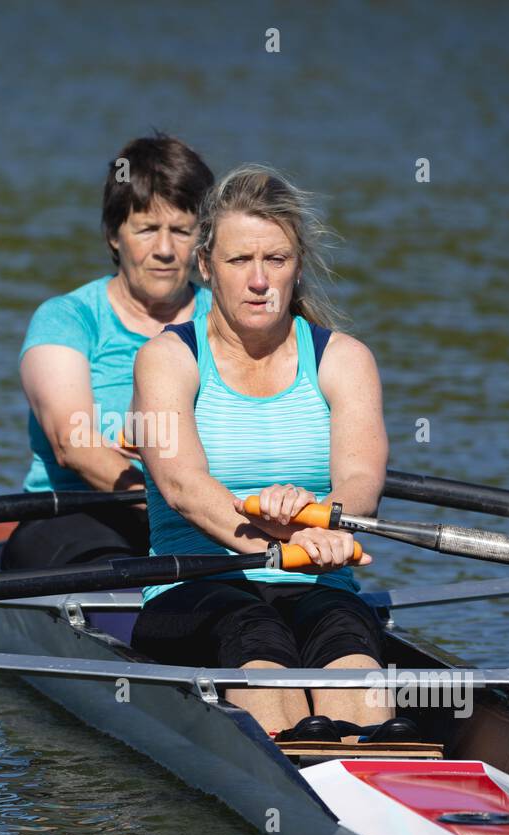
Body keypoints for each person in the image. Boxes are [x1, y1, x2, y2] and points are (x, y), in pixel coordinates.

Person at [130, 165, 399, 741]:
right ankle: (299, 778)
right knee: (252, 626)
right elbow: (182, 486)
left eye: (275, 260)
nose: (259, 281)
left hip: (317, 584)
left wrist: (330, 520)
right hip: (193, 588)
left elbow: (359, 480)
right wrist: (289, 538)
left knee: (348, 641)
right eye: (239, 261)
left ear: (297, 264)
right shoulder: (168, 359)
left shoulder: (343, 359)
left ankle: (374, 772)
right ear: (205, 267)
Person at [1, 135, 215, 570]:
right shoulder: (67, 318)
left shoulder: (226, 320)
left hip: (207, 516)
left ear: (202, 240)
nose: (165, 250)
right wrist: (187, 508)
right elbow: (73, 443)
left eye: (180, 231)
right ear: (113, 235)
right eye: (147, 229)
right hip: (75, 515)